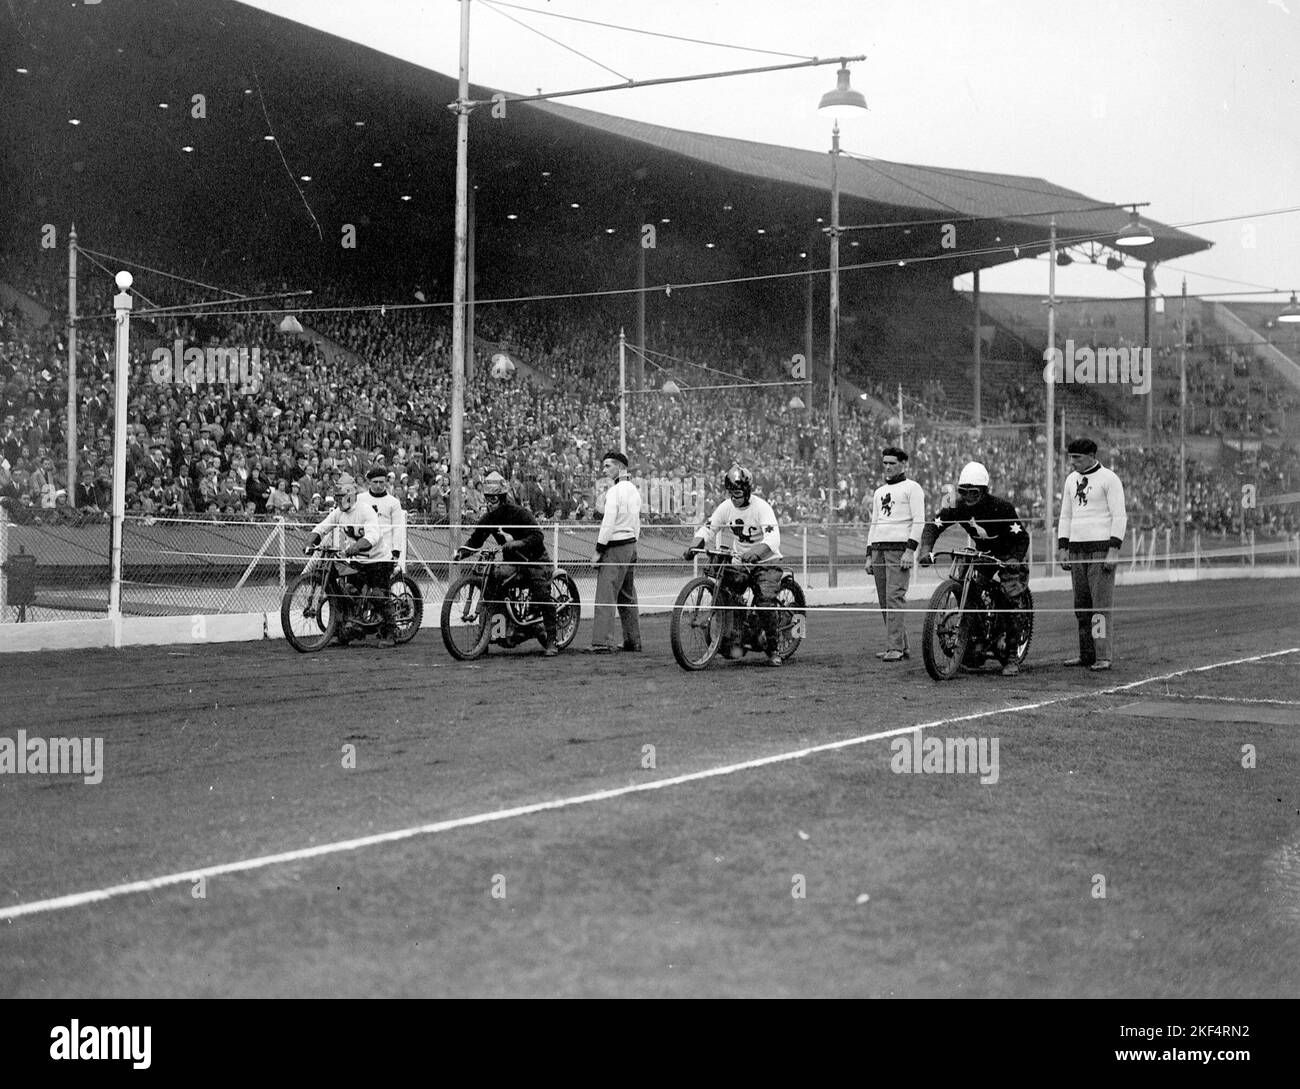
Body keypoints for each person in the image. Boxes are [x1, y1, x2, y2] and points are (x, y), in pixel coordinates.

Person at [917, 461, 1030, 676]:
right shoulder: (956, 506)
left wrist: (1015, 559)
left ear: (984, 491)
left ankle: (1012, 656)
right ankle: (970, 639)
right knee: (966, 584)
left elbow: (1021, 537)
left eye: (973, 492)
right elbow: (934, 525)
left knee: (1011, 595)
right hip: (983, 554)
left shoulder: (1002, 507)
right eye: (963, 492)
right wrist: (926, 549)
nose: (968, 497)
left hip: (1008, 555)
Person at [682, 465, 786, 667]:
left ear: (747, 491)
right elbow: (709, 528)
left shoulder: (762, 507)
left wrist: (756, 553)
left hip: (766, 562)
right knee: (726, 591)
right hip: (741, 560)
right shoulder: (726, 507)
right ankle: (733, 636)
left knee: (765, 602)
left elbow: (774, 537)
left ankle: (773, 649)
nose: (734, 497)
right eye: (731, 493)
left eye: (738, 493)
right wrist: (694, 546)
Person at [454, 470, 559, 656]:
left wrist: (516, 543)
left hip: (535, 560)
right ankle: (488, 636)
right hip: (512, 562)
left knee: (541, 594)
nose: (489, 502)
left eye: (493, 499)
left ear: (502, 498)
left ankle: (551, 640)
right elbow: (475, 541)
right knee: (492, 584)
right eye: (487, 498)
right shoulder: (488, 518)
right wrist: (461, 554)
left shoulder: (520, 513)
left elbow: (538, 536)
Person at [1057, 436, 1127, 671]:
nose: (1073, 462)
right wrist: (1063, 547)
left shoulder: (1109, 479)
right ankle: (1086, 654)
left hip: (1100, 550)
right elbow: (1066, 515)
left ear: (1091, 456)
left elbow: (1119, 515)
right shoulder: (1070, 480)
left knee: (1100, 607)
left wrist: (1114, 549)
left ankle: (1103, 656)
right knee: (1082, 607)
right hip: (1078, 551)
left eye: (1076, 458)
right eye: (1071, 458)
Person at [306, 475, 396, 646]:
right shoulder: (338, 513)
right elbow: (322, 527)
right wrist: (311, 541)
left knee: (378, 595)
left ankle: (390, 633)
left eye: (341, 497)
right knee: (348, 591)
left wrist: (357, 546)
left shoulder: (365, 510)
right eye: (337, 497)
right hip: (358, 561)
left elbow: (373, 535)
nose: (339, 501)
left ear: (350, 495)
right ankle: (346, 631)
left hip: (379, 560)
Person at [866, 446, 925, 662]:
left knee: (895, 597)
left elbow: (919, 521)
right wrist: (869, 554)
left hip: (899, 549)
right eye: (885, 463)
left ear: (902, 464)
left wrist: (910, 550)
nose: (888, 467)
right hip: (879, 549)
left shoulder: (913, 488)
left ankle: (895, 648)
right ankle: (900, 646)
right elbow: (874, 524)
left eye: (892, 463)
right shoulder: (879, 492)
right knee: (884, 600)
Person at [590, 449, 642, 653]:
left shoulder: (614, 491)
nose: (604, 469)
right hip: (630, 545)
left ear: (620, 467)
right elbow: (636, 523)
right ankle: (633, 640)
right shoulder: (634, 490)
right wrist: (634, 546)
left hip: (615, 546)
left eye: (608, 465)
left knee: (606, 594)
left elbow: (608, 522)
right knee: (627, 596)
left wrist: (598, 550)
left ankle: (602, 642)